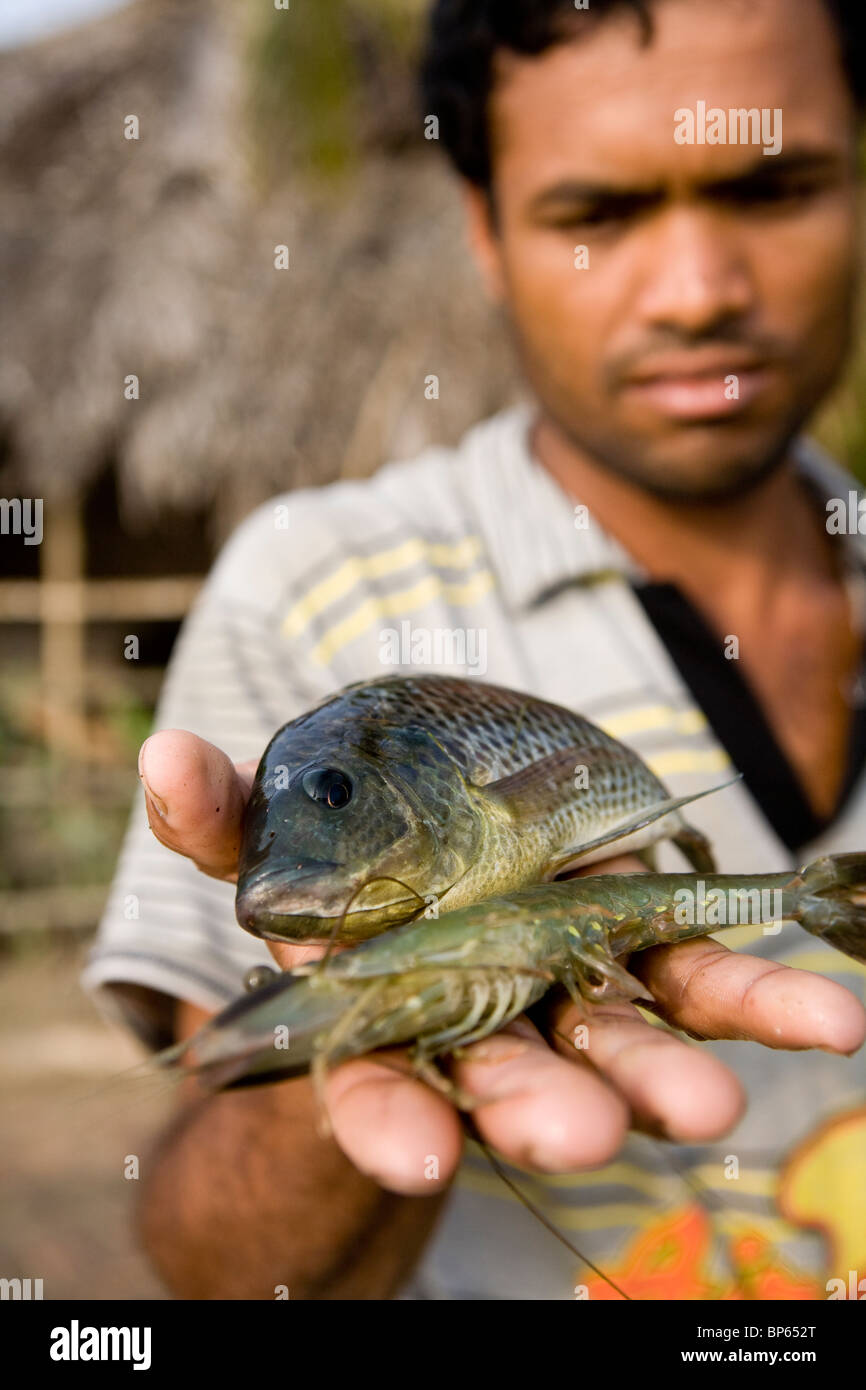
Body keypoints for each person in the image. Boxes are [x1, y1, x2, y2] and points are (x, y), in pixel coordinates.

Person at [84, 0, 866, 1300]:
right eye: (595, 213)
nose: (696, 291)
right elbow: (216, 1273)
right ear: (484, 232)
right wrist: (357, 1054)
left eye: (772, 185)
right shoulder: (307, 586)